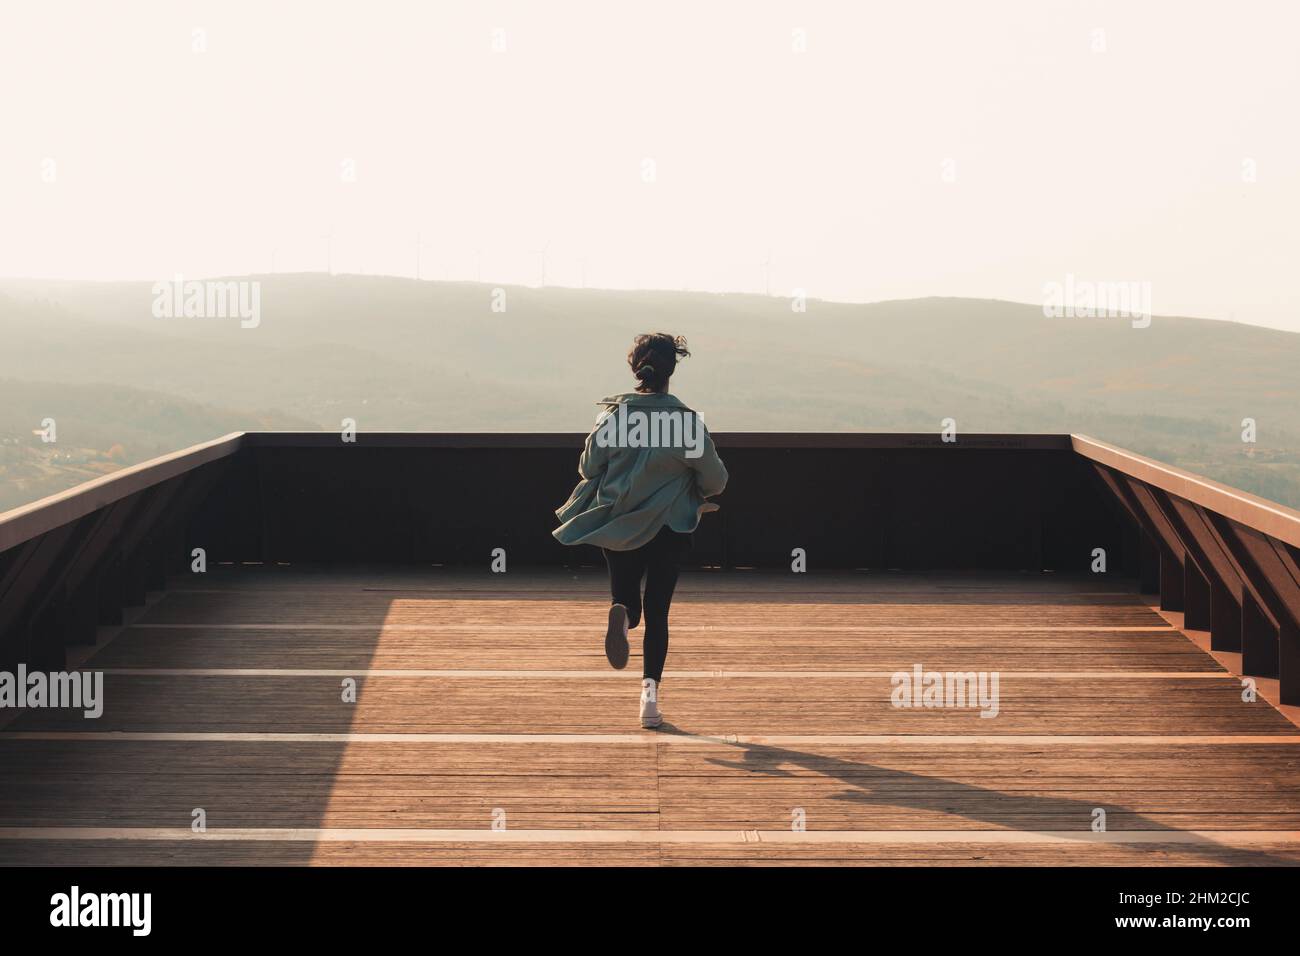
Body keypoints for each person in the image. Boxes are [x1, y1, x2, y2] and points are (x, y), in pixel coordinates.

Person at [553, 333, 728, 727]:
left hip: (619, 526)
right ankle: (649, 699)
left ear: (637, 369)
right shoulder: (685, 422)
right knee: (659, 611)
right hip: (671, 526)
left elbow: (588, 468)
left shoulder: (614, 417)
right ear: (671, 371)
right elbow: (716, 479)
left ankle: (621, 614)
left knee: (629, 599)